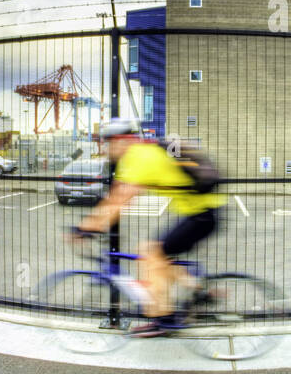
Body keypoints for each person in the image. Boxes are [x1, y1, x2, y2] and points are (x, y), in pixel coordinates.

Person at [75, 117, 224, 337]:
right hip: (199, 211)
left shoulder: (139, 156)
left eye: (108, 142)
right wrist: (94, 221)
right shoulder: (138, 155)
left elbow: (120, 200)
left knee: (152, 253)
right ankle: (201, 292)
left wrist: (84, 229)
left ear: (122, 141)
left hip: (202, 215)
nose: (106, 148)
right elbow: (116, 195)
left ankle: (163, 320)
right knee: (156, 254)